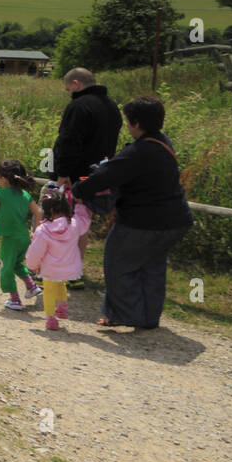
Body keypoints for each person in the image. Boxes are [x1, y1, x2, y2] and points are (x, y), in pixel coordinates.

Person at [72, 96, 193, 330]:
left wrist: (79, 190)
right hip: (176, 220)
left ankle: (125, 315)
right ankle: (148, 318)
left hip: (143, 222)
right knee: (152, 267)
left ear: (136, 123)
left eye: (128, 122)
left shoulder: (138, 151)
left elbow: (107, 175)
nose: (127, 126)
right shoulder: (162, 143)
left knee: (118, 263)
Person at [52, 67, 123, 288]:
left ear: (76, 84)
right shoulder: (112, 107)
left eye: (68, 90)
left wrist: (63, 172)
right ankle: (75, 271)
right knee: (82, 223)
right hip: (96, 176)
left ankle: (55, 270)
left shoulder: (78, 106)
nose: (69, 94)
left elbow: (69, 141)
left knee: (58, 220)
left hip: (73, 176)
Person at [25, 186, 91, 331]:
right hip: (69, 267)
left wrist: (31, 265)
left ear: (47, 211)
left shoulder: (43, 230)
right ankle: (62, 308)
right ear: (67, 208)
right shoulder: (74, 224)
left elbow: (36, 251)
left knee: (48, 291)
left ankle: (50, 319)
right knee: (61, 285)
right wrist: (80, 204)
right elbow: (84, 220)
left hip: (51, 269)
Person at [0, 159, 43, 310]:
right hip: (24, 237)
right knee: (16, 264)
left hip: (10, 238)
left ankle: (14, 299)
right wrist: (35, 231)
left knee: (6, 267)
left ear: (3, 178)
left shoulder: (0, 193)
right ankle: (31, 286)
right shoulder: (25, 195)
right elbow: (39, 212)